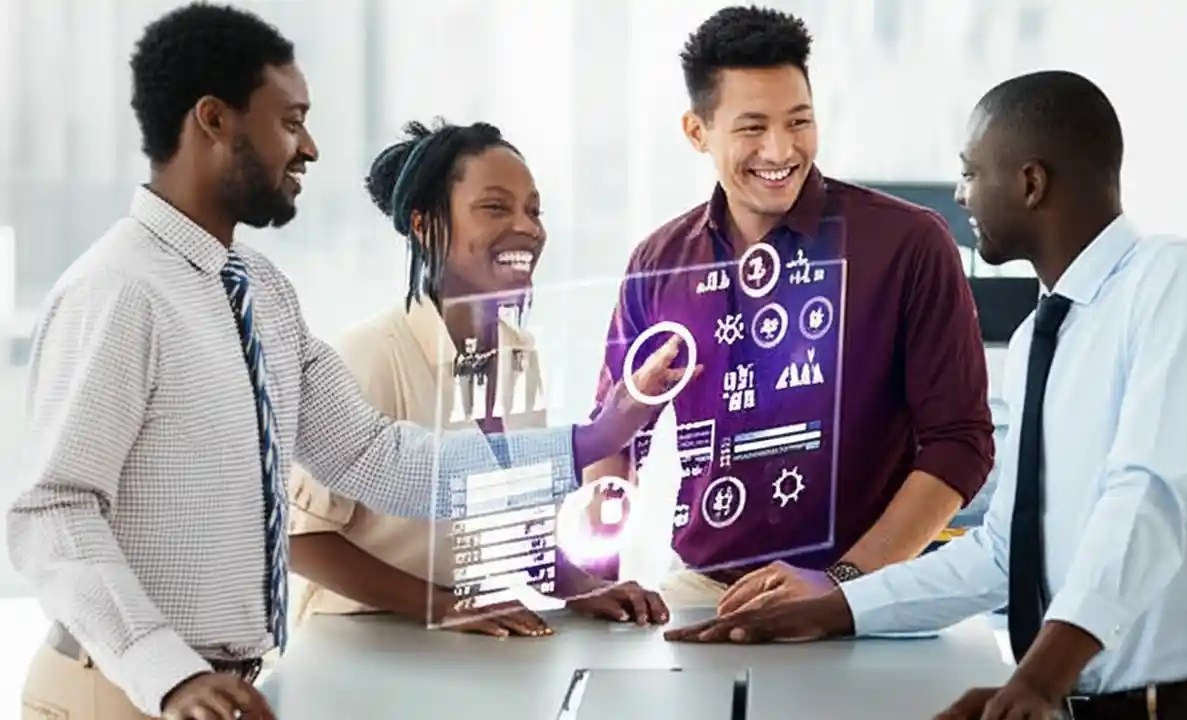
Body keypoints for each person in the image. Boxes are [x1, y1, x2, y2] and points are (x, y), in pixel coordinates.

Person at [5, 5, 685, 720]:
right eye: (290, 122)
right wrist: (166, 674)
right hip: (118, 693)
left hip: (226, 689)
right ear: (212, 121)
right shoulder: (118, 289)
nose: (311, 149)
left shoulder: (259, 292)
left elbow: (380, 457)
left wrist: (595, 439)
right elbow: (53, 510)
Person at [665, 70, 1187, 720]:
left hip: (1185, 709)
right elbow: (1001, 554)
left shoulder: (1174, 279)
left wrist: (1039, 679)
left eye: (971, 173)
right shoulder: (1050, 333)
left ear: (1030, 183)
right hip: (1076, 704)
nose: (961, 196)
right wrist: (829, 611)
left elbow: (1148, 497)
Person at [585, 5, 993, 612]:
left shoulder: (908, 245)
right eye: (752, 127)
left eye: (799, 121)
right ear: (698, 133)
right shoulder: (660, 262)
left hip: (870, 589)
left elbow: (961, 441)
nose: (780, 150)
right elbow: (611, 437)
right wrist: (599, 572)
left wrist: (845, 582)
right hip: (703, 588)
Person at [288, 119, 670, 639]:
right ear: (424, 225)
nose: (528, 228)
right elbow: (300, 540)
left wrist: (582, 586)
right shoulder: (371, 354)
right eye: (495, 207)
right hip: (358, 642)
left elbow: (510, 520)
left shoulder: (521, 354)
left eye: (534, 210)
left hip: (456, 647)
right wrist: (443, 606)